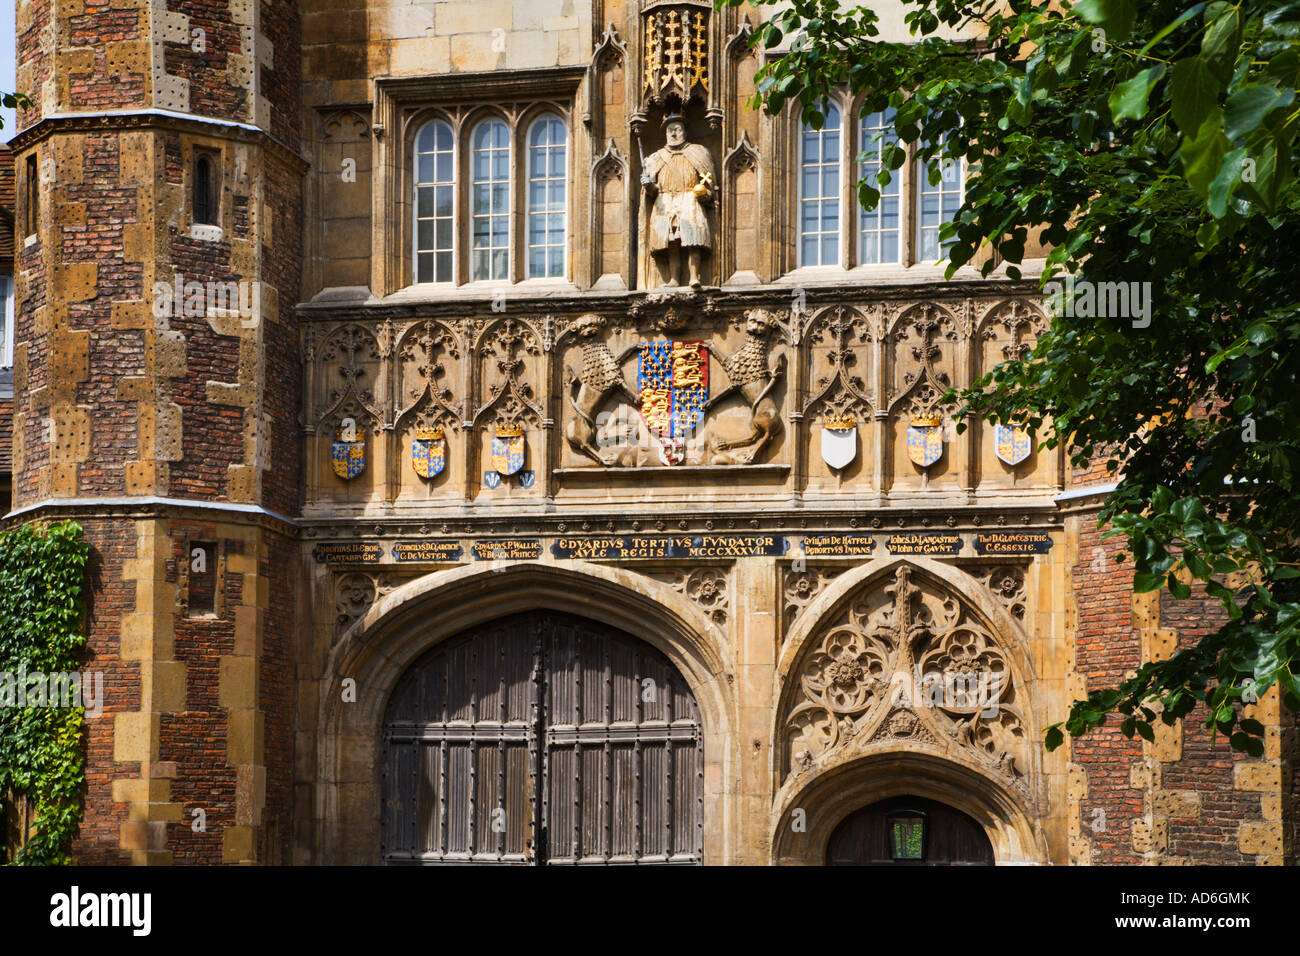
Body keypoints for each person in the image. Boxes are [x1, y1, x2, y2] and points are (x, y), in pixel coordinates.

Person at [641, 113, 714, 288]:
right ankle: (674, 279)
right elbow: (651, 191)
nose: (673, 134)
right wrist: (648, 185)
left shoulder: (698, 153)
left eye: (677, 129)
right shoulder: (656, 158)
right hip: (665, 201)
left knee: (693, 240)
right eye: (669, 130)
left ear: (685, 131)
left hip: (690, 199)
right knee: (672, 243)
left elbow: (709, 184)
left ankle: (694, 277)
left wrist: (705, 194)